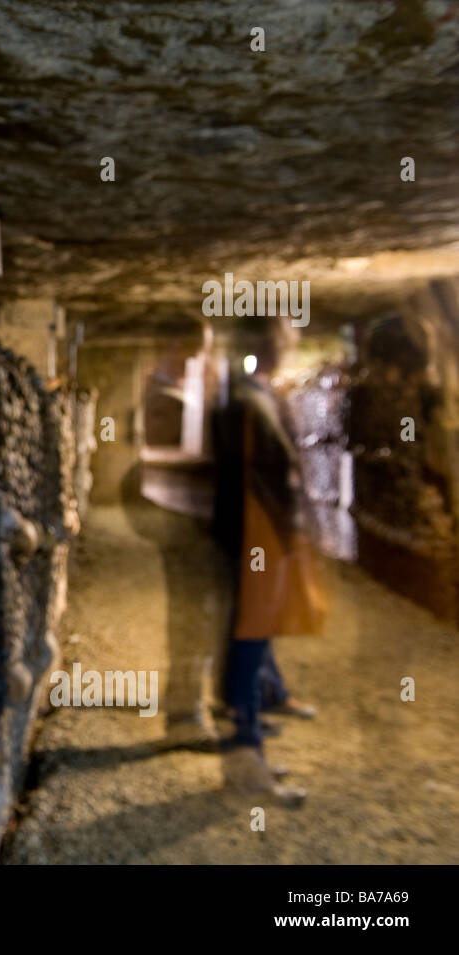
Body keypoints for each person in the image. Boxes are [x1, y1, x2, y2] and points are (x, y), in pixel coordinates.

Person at [211, 320, 315, 805]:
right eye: (281, 340)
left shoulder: (254, 396)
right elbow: (261, 477)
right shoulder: (250, 403)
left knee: (254, 631)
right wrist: (285, 533)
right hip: (260, 535)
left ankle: (250, 729)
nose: (284, 348)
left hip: (260, 534)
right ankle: (246, 757)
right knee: (251, 633)